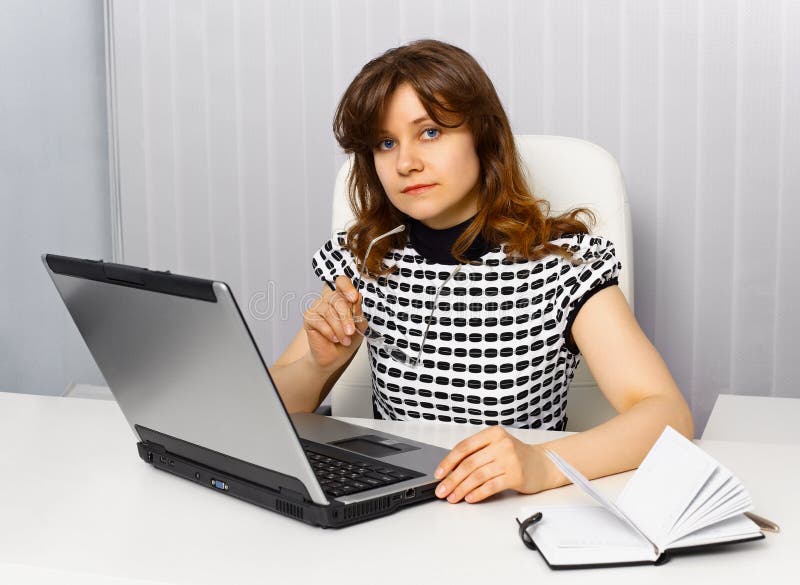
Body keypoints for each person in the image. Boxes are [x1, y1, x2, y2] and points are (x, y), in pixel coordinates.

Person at [268, 39, 694, 505]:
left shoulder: (563, 265)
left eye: (429, 132)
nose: (406, 163)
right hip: (392, 512)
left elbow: (668, 414)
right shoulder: (363, 258)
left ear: (482, 136)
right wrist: (317, 365)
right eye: (385, 143)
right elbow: (269, 415)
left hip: (510, 513)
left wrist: (542, 463)